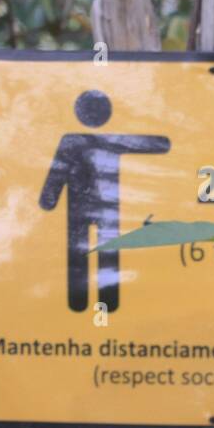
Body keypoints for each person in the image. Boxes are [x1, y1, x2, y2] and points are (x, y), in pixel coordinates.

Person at [39, 90, 170, 311]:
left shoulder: (75, 140)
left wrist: (48, 200)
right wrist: (48, 199)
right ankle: (91, 302)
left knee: (89, 253)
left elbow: (56, 175)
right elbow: (157, 143)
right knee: (91, 253)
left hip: (87, 209)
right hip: (99, 209)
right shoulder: (97, 140)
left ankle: (91, 302)